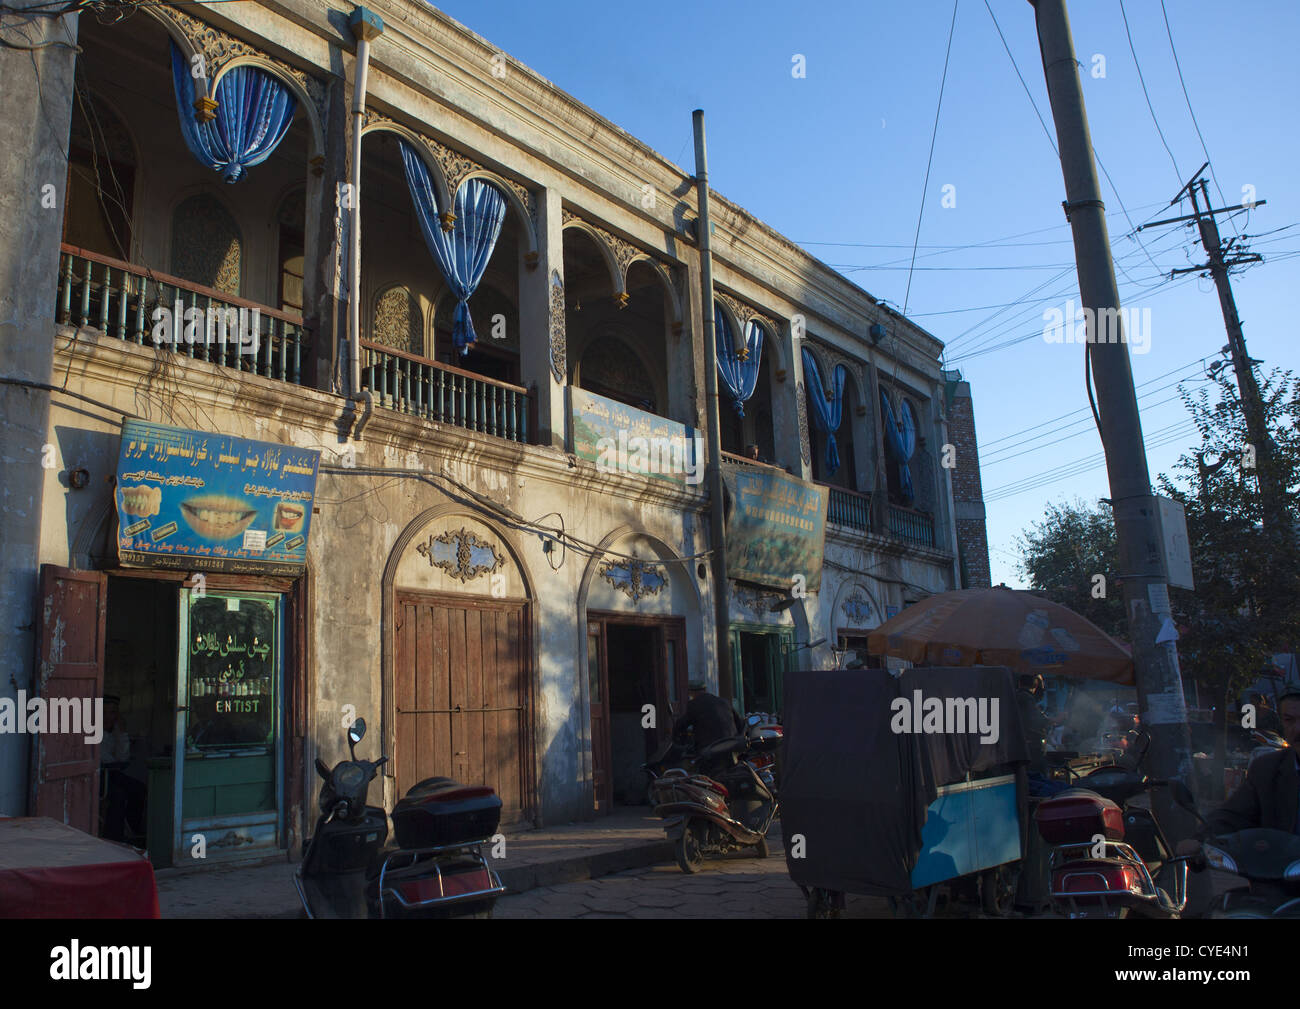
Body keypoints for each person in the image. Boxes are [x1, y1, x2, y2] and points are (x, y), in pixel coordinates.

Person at [1177, 688, 1300, 855]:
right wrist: (1200, 839)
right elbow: (1234, 815)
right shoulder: (1267, 769)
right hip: (1281, 865)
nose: (1297, 729)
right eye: (1289, 720)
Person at [100, 695, 145, 843]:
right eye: (104, 712)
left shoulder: (115, 731)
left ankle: (133, 830)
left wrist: (122, 732)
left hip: (112, 774)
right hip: (99, 776)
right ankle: (114, 839)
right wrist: (116, 762)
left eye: (112, 713)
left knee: (139, 789)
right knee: (118, 796)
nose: (108, 717)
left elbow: (123, 757)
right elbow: (105, 758)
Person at [674, 679, 745, 752]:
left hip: (711, 748)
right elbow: (740, 723)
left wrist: (675, 736)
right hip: (732, 744)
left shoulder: (693, 704)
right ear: (705, 689)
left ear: (691, 692)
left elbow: (681, 724)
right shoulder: (723, 701)